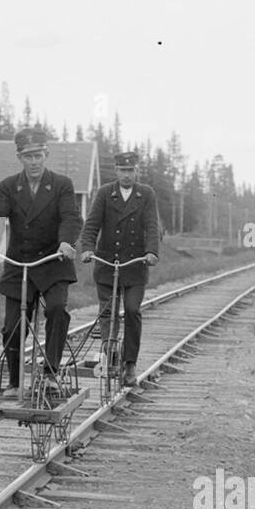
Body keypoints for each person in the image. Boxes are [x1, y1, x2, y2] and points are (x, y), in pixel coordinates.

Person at [0, 127, 82, 398]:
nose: (34, 161)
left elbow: (71, 217)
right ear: (19, 157)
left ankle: (50, 373)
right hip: (20, 262)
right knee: (12, 325)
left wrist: (66, 243)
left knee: (58, 310)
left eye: (38, 155)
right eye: (28, 156)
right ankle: (15, 382)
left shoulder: (61, 184)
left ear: (46, 154)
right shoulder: (8, 186)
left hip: (54, 260)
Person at [79, 150, 160, 387]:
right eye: (122, 171)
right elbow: (92, 223)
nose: (126, 175)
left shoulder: (146, 194)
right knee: (108, 313)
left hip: (135, 265)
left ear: (137, 171)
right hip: (106, 264)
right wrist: (87, 248)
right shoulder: (105, 193)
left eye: (131, 171)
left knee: (133, 310)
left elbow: (152, 225)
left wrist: (152, 252)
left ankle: (130, 363)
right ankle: (110, 357)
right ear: (116, 171)